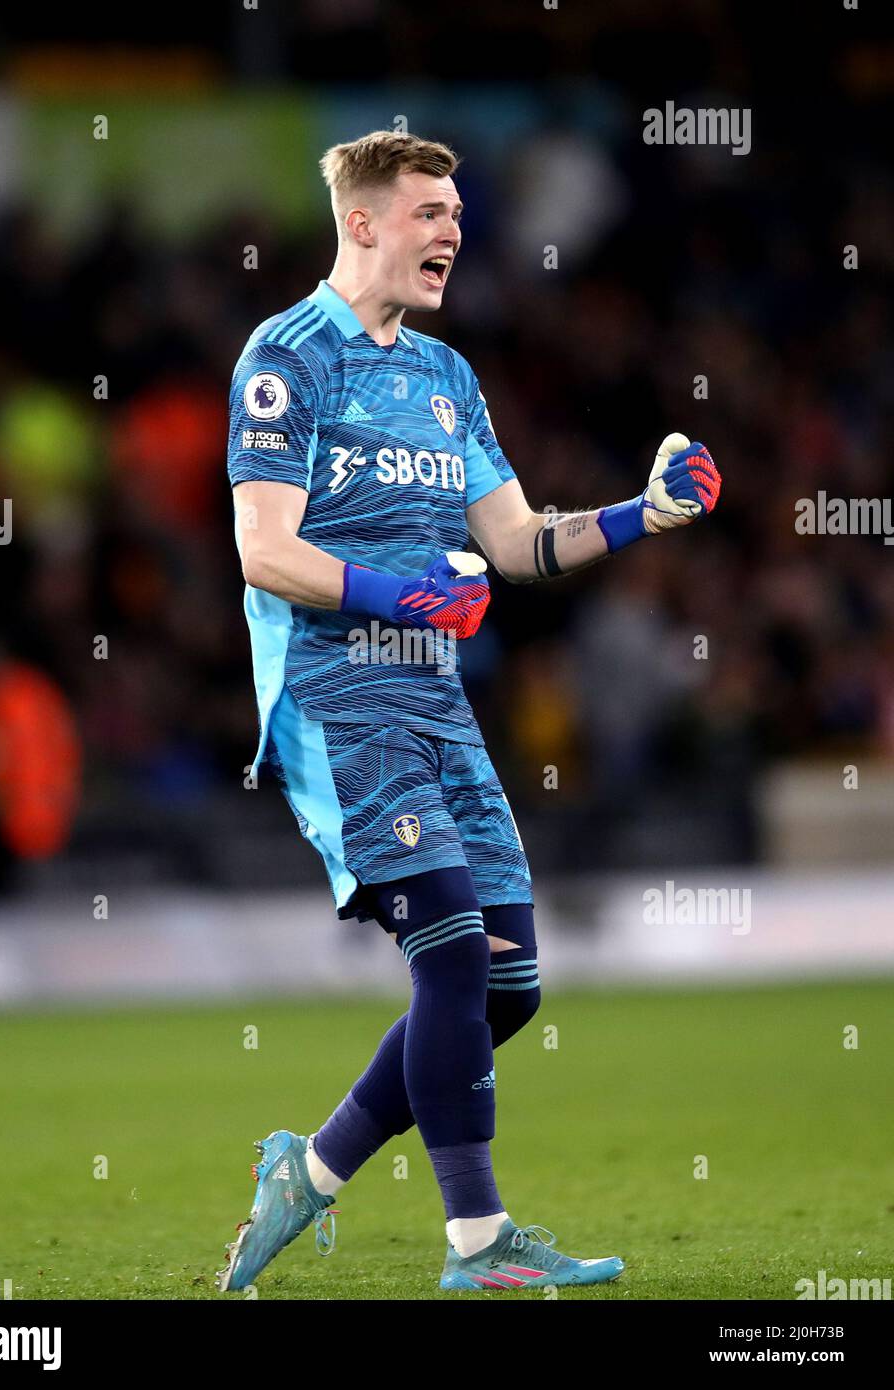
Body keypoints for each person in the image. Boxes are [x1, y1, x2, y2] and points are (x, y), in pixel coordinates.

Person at [218, 130, 721, 1293]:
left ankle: (315, 1167)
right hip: (338, 699)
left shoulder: (445, 378)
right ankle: (480, 1245)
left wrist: (643, 514)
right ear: (363, 222)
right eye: (429, 210)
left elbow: (515, 542)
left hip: (438, 701)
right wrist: (402, 591)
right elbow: (263, 552)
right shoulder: (286, 356)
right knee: (450, 956)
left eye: (456, 211)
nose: (452, 229)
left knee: (510, 985)